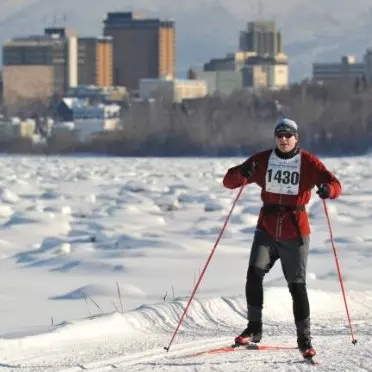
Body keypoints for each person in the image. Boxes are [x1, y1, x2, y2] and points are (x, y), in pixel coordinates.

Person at [222, 118, 342, 359]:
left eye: (288, 135)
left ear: (296, 138)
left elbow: (334, 184)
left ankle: (304, 339)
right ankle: (254, 329)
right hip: (266, 229)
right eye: (280, 135)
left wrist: (328, 190)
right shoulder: (263, 159)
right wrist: (241, 174)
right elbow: (229, 181)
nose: (284, 139)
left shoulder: (307, 162)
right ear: (275, 138)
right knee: (253, 275)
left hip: (294, 232)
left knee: (296, 286)